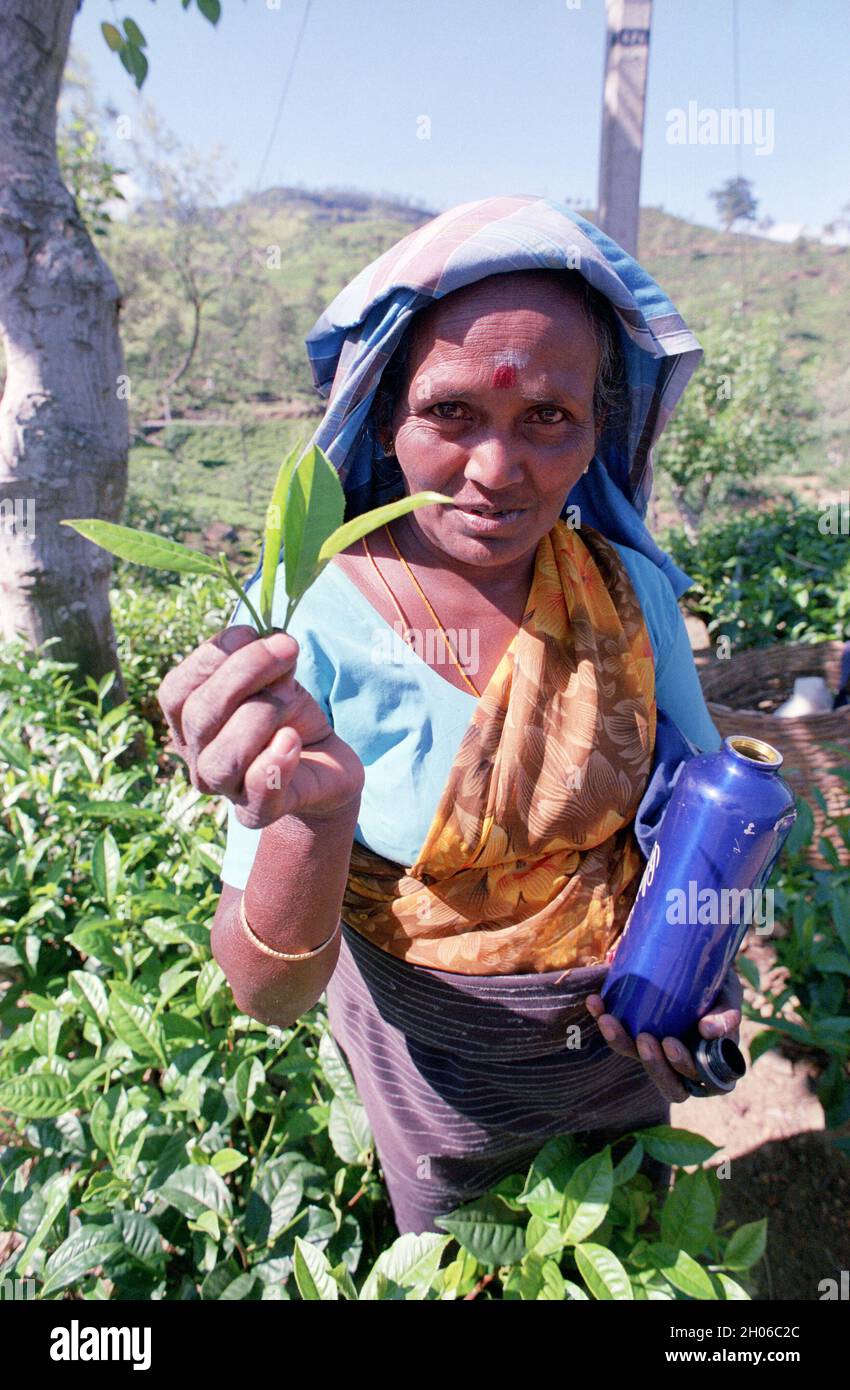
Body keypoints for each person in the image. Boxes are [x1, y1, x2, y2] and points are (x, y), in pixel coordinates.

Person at [157, 196, 743, 1235]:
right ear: (384, 413)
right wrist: (314, 818)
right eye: (450, 413)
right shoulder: (300, 626)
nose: (495, 472)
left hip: (618, 1047)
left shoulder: (624, 592)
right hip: (438, 1079)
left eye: (546, 418)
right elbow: (266, 995)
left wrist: (702, 965)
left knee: (630, 1243)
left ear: (597, 429)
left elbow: (708, 822)